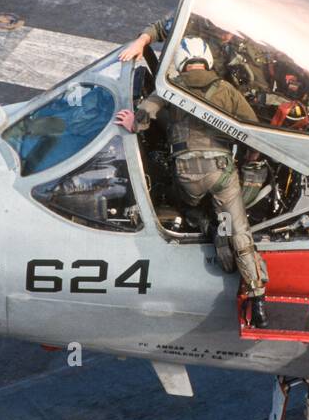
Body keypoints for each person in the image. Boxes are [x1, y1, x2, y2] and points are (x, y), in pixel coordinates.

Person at [114, 37, 271, 328]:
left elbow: (144, 115)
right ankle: (256, 297)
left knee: (184, 205)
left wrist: (131, 123)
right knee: (239, 229)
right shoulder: (226, 89)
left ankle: (209, 226)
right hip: (221, 171)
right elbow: (254, 131)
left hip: (185, 174)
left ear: (182, 63)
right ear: (208, 61)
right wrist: (249, 159)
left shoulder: (171, 88)